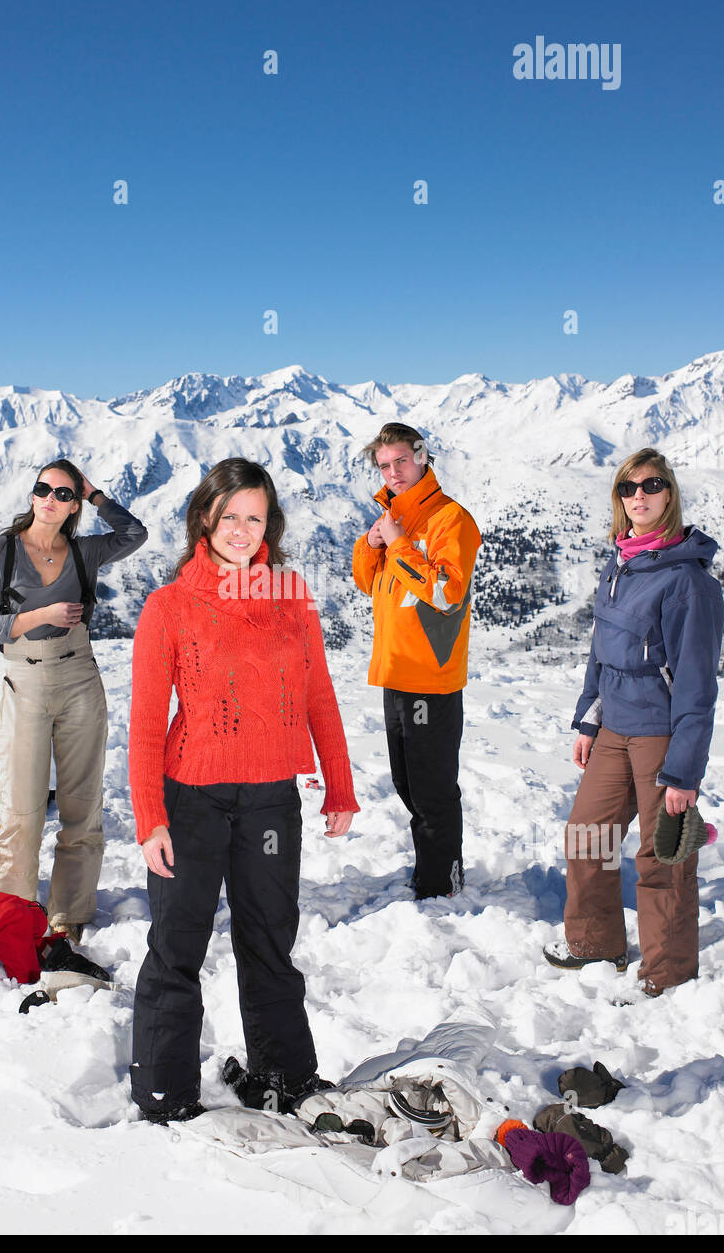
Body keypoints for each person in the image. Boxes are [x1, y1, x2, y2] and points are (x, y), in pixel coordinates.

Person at [128, 458, 359, 1124]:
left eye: (253, 517)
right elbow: (146, 721)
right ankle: (165, 1095)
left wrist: (337, 785)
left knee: (269, 943)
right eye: (229, 515)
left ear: (269, 526)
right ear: (206, 518)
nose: (240, 529)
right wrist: (151, 818)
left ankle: (286, 1076)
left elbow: (318, 693)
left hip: (270, 799)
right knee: (177, 946)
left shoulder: (292, 599)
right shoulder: (168, 606)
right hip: (190, 798)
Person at [543, 448, 724, 996]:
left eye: (650, 485)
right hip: (615, 727)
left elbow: (697, 686)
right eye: (627, 487)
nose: (638, 495)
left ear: (669, 494)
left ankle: (667, 978)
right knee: (587, 835)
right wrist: (588, 720)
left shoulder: (688, 582)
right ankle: (596, 945)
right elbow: (603, 649)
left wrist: (684, 773)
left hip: (661, 735)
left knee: (662, 856)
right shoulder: (620, 562)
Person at [0, 459, 147, 939]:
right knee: (20, 811)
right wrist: (36, 615)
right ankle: (12, 913)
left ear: (73, 506)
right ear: (31, 495)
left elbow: (134, 533)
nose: (50, 497)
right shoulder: (1, 551)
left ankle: (68, 917)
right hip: (22, 682)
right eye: (43, 488)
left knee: (81, 806)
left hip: (79, 680)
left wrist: (97, 495)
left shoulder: (84, 551)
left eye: (64, 493)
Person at [351, 423, 482, 899]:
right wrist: (375, 542)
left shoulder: (451, 520)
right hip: (396, 670)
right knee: (408, 783)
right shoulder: (395, 516)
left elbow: (448, 592)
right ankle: (431, 870)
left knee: (431, 788)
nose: (393, 472)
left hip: (431, 676)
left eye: (400, 461)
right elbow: (368, 582)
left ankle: (441, 881)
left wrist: (400, 542)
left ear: (423, 457)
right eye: (384, 465)